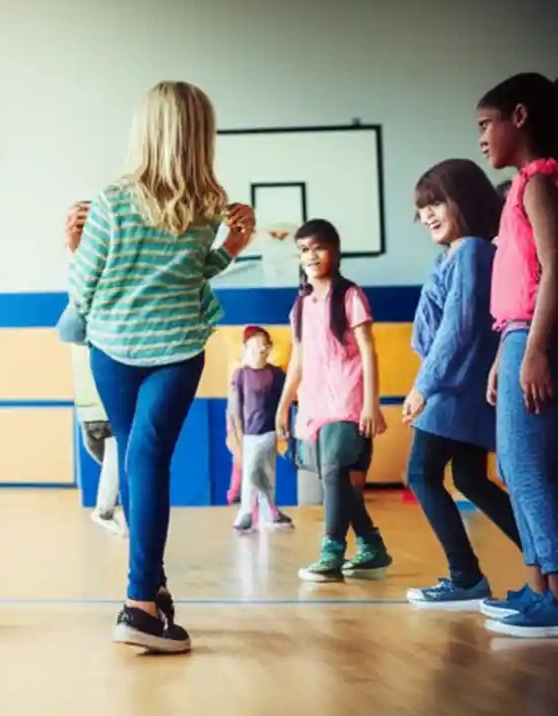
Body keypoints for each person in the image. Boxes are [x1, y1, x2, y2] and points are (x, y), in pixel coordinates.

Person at [68, 80, 254, 653]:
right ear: (199, 135)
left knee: (138, 460)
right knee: (147, 462)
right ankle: (140, 604)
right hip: (175, 351)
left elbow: (84, 286)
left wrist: (73, 247)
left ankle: (150, 588)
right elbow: (194, 275)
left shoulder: (110, 202)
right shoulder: (205, 207)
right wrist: (234, 246)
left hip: (113, 350)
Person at [475, 73, 558, 638]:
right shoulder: (531, 184)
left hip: (541, 335)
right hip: (524, 333)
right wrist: (503, 354)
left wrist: (531, 350)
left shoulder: (540, 181)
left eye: (486, 124)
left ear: (520, 117)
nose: (482, 137)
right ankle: (545, 590)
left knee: (530, 468)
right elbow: (525, 278)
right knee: (515, 465)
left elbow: (555, 272)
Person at [401, 159, 522, 609]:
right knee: (470, 477)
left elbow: (460, 327)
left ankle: (465, 576)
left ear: (465, 201)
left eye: (438, 202)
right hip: (459, 387)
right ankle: (551, 559)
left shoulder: (471, 250)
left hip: (453, 389)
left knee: (421, 474)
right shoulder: (455, 253)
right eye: (423, 207)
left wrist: (423, 387)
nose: (428, 214)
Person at [276, 219, 392, 583]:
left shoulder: (350, 296)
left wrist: (371, 404)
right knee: (336, 478)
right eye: (304, 250)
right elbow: (297, 360)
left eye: (318, 247)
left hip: (347, 396)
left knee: (333, 472)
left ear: (335, 251)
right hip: (314, 403)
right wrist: (283, 404)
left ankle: (332, 550)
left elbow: (369, 351)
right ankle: (372, 545)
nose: (311, 256)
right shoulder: (300, 305)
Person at [60, 200, 124, 536]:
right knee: (113, 450)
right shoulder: (84, 302)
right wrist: (75, 246)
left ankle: (111, 505)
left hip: (95, 401)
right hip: (97, 400)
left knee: (114, 455)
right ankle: (104, 508)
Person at [227, 325, 293, 533]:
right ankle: (246, 512)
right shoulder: (240, 375)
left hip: (270, 433)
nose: (261, 348)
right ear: (247, 346)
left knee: (267, 473)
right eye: (257, 343)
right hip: (250, 435)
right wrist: (236, 437)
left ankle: (268, 511)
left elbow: (285, 402)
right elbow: (235, 410)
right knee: (251, 474)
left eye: (265, 343)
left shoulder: (276, 374)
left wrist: (284, 428)